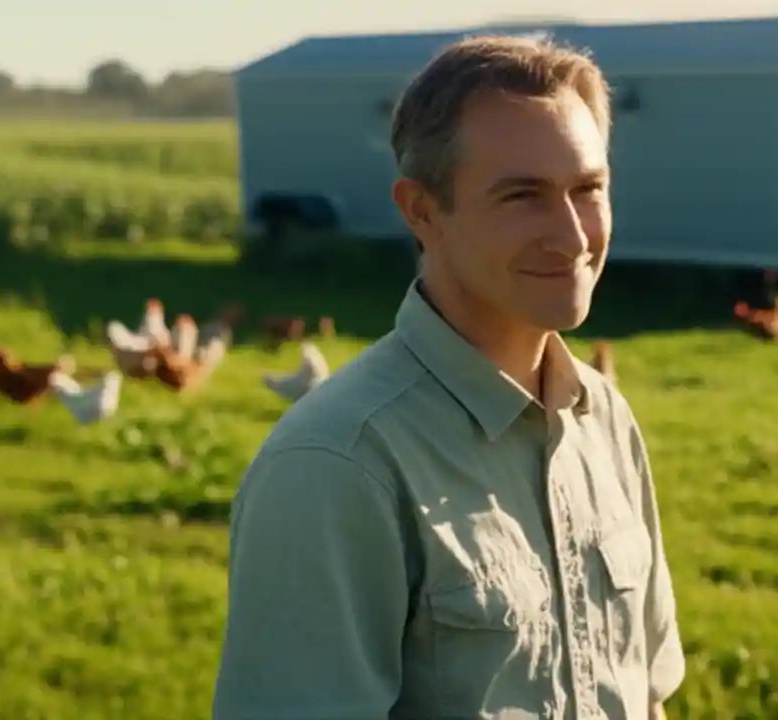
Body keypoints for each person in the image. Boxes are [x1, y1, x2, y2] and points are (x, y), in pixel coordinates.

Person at [211, 32, 685, 720]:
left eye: (588, 189)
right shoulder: (336, 465)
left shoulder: (602, 416)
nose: (573, 235)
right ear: (422, 211)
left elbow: (646, 693)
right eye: (522, 196)